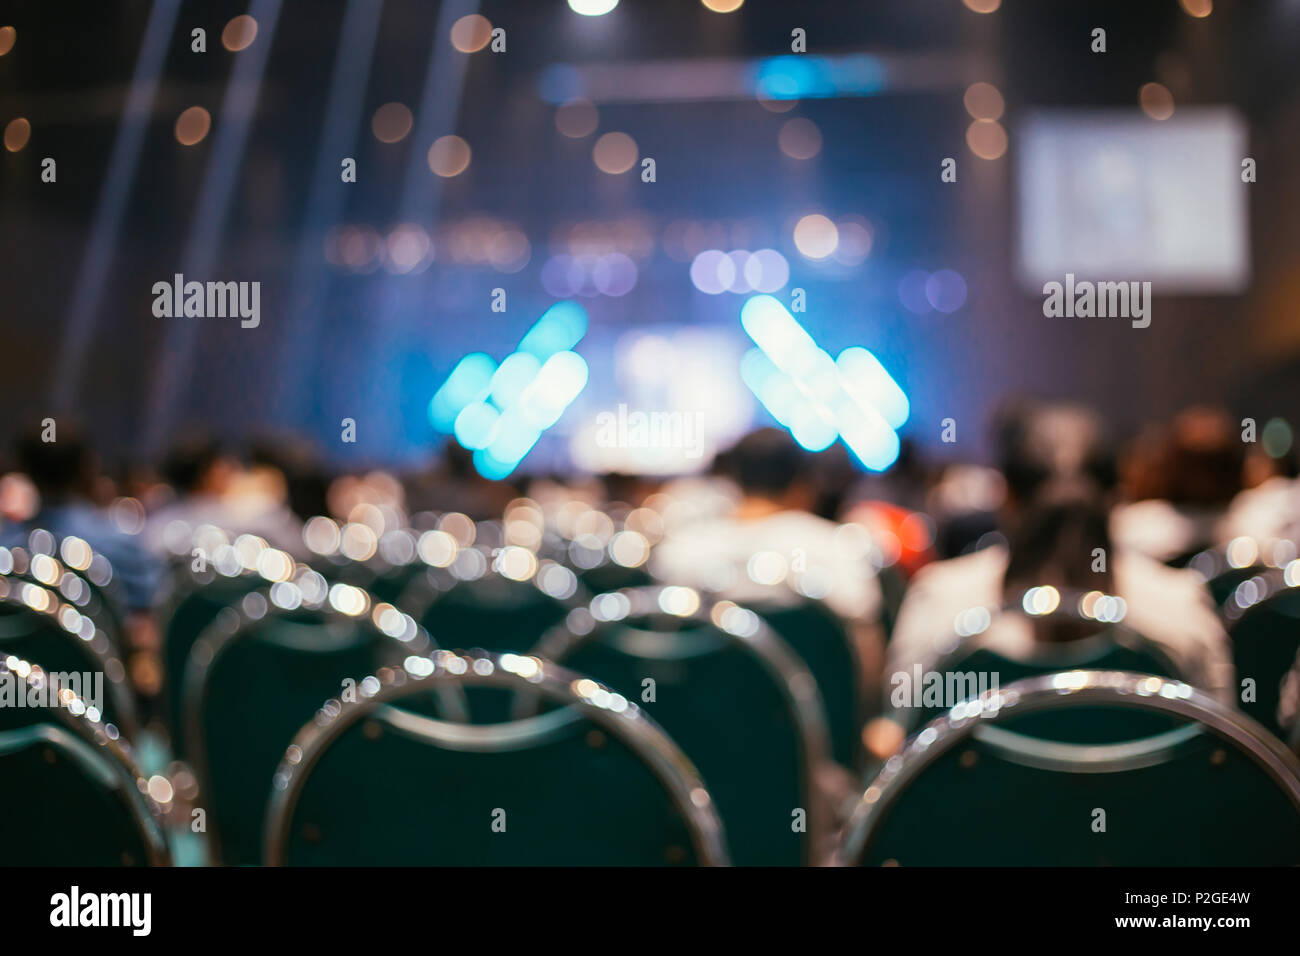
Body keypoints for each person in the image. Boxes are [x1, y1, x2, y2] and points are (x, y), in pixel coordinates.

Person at [874, 401, 1234, 758]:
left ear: (1006, 497)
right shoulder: (1181, 603)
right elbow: (1222, 757)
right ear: (1116, 498)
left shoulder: (939, 598)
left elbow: (903, 750)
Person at [652, 428, 880, 624]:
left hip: (699, 675)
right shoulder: (834, 546)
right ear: (800, 484)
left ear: (733, 479)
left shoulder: (682, 549)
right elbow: (864, 625)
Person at [2, 422, 163, 693]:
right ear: (86, 468)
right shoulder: (119, 544)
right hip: (99, 708)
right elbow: (149, 628)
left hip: (8, 704)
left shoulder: (6, 549)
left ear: (23, 471)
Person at [143, 430, 304, 557]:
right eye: (224, 462)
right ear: (208, 472)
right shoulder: (257, 518)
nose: (235, 466)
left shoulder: (159, 524)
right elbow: (297, 547)